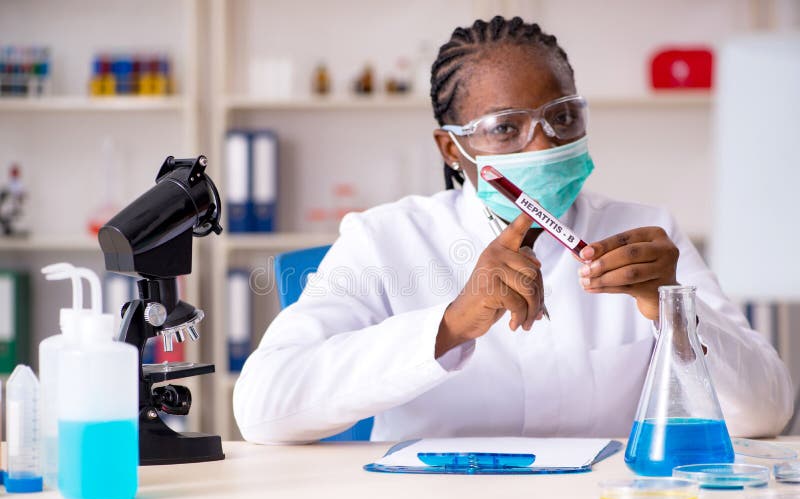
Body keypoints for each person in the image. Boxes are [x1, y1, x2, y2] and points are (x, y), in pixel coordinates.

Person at [233, 16, 793, 443]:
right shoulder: (385, 239)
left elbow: (767, 412)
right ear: (452, 148)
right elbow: (262, 408)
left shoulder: (646, 235)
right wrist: (450, 325)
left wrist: (671, 312)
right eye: (505, 128)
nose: (546, 144)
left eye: (563, 117)